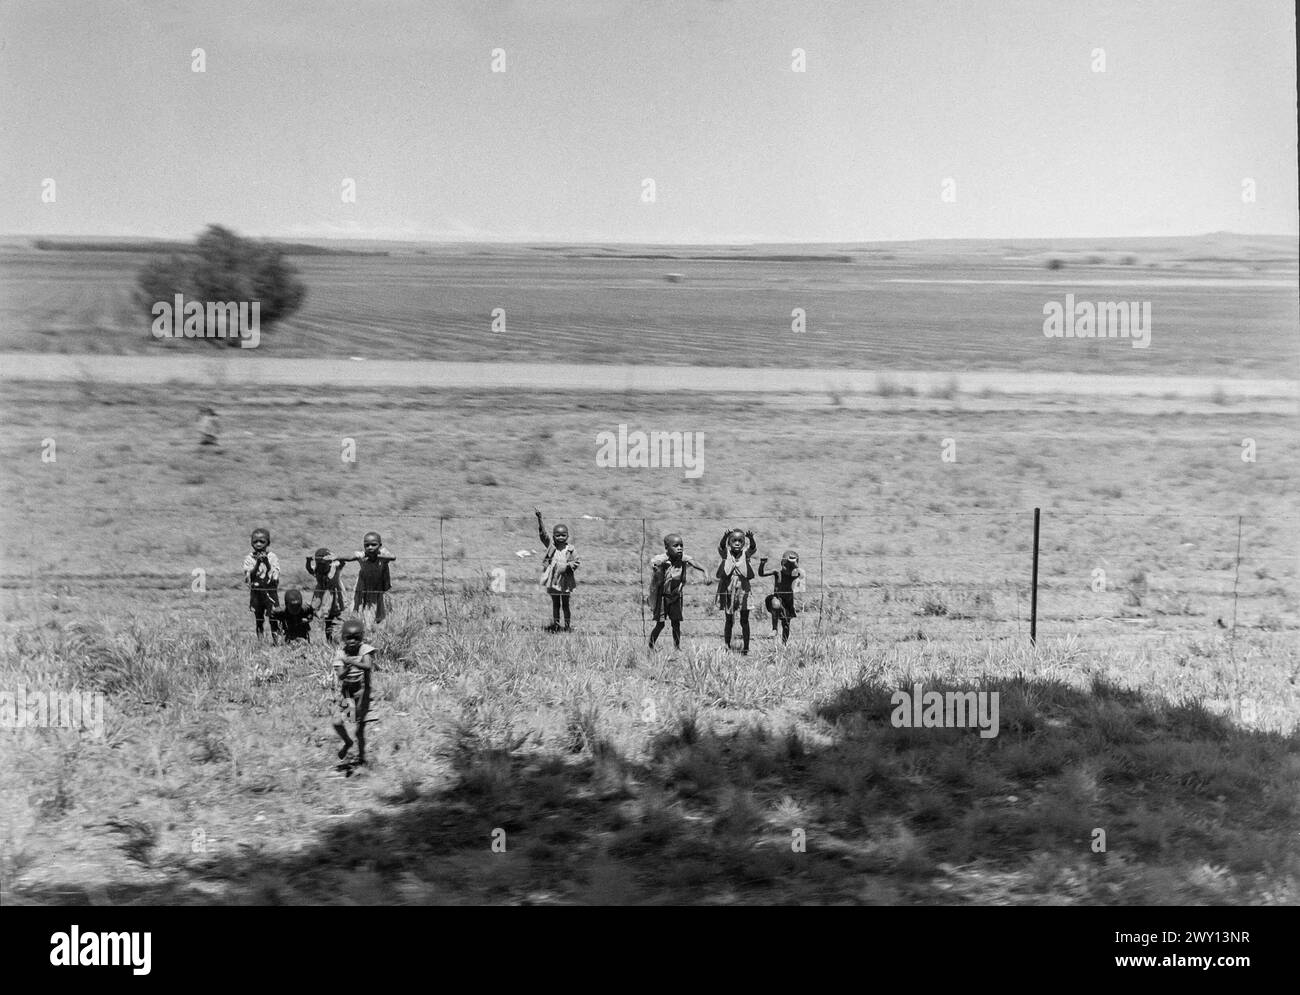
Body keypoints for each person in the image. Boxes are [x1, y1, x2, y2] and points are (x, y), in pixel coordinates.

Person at [648, 533, 707, 650]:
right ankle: (650, 646)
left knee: (676, 623)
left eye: (681, 545)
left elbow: (693, 562)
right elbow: (654, 562)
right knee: (660, 624)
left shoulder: (682, 558)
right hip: (662, 597)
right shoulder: (663, 559)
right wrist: (657, 567)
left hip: (675, 596)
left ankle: (677, 647)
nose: (679, 548)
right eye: (675, 546)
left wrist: (705, 571)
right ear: (667, 548)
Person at [331, 618, 375, 766]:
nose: (352, 641)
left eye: (356, 638)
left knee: (359, 730)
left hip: (363, 693)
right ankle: (347, 742)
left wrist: (351, 662)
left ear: (361, 637)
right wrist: (348, 667)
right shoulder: (340, 653)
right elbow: (341, 675)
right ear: (343, 638)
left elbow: (368, 666)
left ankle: (362, 758)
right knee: (337, 722)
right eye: (349, 638)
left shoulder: (365, 649)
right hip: (348, 693)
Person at [535, 507, 579, 631]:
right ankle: (556, 626)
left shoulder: (571, 549)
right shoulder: (551, 546)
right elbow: (543, 535)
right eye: (557, 535)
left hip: (565, 581)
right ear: (554, 536)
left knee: (565, 604)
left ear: (567, 536)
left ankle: (567, 626)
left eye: (563, 535)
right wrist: (540, 519)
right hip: (553, 581)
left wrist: (567, 567)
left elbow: (577, 561)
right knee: (556, 604)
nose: (560, 537)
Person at [715, 527, 757, 654]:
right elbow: (721, 547)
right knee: (729, 619)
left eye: (740, 541)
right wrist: (724, 537)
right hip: (728, 588)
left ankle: (746, 647)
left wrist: (751, 538)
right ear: (729, 542)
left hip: (743, 588)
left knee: (744, 620)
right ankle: (727, 645)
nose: (737, 543)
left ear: (744, 543)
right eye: (734, 540)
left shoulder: (745, 554)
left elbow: (752, 549)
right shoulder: (726, 553)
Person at [342, 532, 395, 624]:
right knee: (358, 606)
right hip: (362, 585)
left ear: (380, 545)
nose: (370, 547)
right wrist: (336, 557)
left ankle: (371, 625)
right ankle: (357, 624)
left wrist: (376, 556)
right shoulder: (362, 555)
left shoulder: (383, 553)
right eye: (367, 545)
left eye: (373, 545)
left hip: (376, 585)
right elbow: (350, 557)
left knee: (374, 607)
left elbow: (393, 557)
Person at [243, 527, 280, 640]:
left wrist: (267, 563)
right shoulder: (249, 558)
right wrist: (258, 563)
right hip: (256, 594)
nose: (258, 544)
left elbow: (274, 576)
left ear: (268, 542)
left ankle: (276, 641)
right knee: (259, 619)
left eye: (262, 541)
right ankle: (261, 642)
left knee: (273, 617)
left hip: (270, 592)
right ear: (251, 543)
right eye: (255, 541)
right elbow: (250, 576)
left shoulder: (272, 557)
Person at [758, 549, 802, 644]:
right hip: (777, 598)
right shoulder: (777, 572)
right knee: (775, 604)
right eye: (786, 565)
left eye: (791, 566)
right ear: (782, 563)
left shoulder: (793, 574)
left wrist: (793, 563)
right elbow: (761, 574)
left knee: (786, 624)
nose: (788, 568)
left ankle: (784, 644)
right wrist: (762, 564)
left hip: (788, 602)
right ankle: (774, 629)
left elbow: (799, 573)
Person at [305, 546, 346, 642]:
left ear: (330, 562)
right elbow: (309, 569)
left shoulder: (335, 567)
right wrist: (308, 561)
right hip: (321, 596)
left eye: (324, 564)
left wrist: (337, 558)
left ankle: (334, 637)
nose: (321, 566)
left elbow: (342, 563)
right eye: (319, 563)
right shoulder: (317, 569)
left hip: (333, 595)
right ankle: (326, 637)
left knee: (333, 616)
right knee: (323, 617)